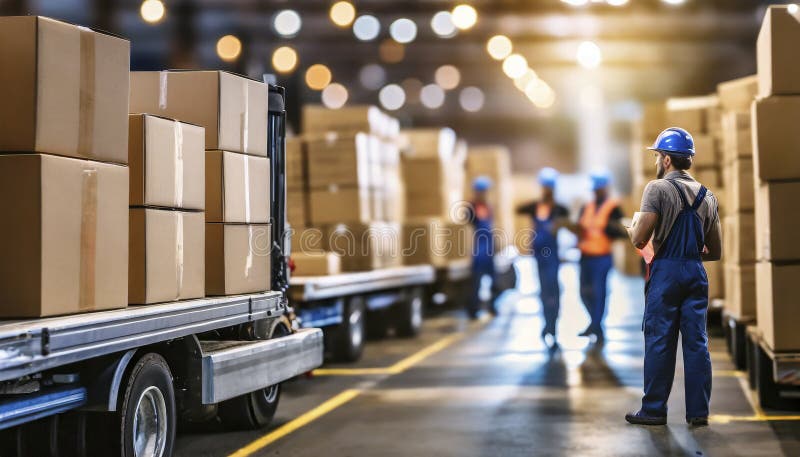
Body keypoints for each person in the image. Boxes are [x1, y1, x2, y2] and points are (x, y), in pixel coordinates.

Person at [625, 127, 722, 427]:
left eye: (657, 156)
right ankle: (698, 412)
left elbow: (640, 239)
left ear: (666, 160)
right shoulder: (708, 196)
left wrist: (632, 229)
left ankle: (654, 409)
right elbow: (715, 251)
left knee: (659, 341)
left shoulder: (657, 189)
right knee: (697, 344)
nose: (656, 161)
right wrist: (689, 254)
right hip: (695, 273)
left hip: (667, 273)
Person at [516, 168, 569, 346]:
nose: (547, 191)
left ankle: (553, 324)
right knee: (544, 291)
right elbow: (518, 208)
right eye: (545, 187)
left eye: (549, 188)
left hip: (552, 256)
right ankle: (547, 323)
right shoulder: (535, 207)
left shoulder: (559, 209)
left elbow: (568, 220)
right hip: (539, 256)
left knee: (553, 290)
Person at [576, 170, 626, 343]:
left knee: (599, 293)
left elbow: (622, 230)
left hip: (602, 257)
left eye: (599, 188)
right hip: (585, 256)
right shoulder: (587, 207)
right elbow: (579, 227)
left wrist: (610, 228)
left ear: (605, 188)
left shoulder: (613, 207)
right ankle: (595, 324)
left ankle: (596, 326)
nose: (597, 192)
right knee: (584, 292)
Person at [466, 176, 500, 320]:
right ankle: (473, 310)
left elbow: (490, 227)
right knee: (476, 283)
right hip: (478, 251)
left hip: (489, 249)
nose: (485, 194)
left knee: (494, 281)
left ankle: (492, 306)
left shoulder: (488, 207)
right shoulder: (471, 208)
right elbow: (467, 229)